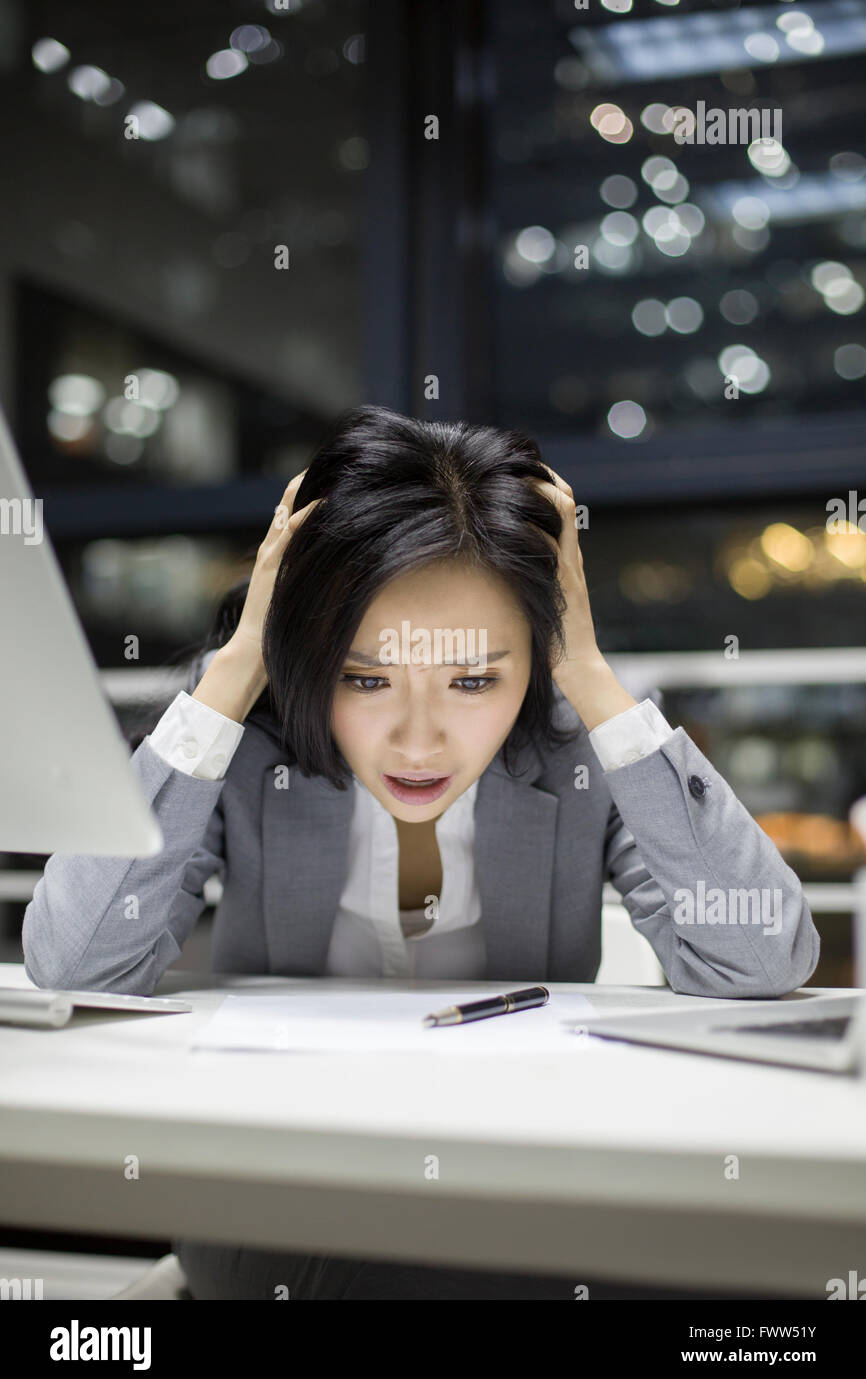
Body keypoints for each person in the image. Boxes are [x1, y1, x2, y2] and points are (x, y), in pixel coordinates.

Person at [22, 404, 820, 1299]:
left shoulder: (572, 753)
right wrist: (243, 661)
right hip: (288, 1191)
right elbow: (77, 958)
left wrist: (593, 677)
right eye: (364, 678)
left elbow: (757, 959)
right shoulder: (247, 748)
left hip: (517, 1180)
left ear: (540, 655)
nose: (418, 741)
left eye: (474, 679)